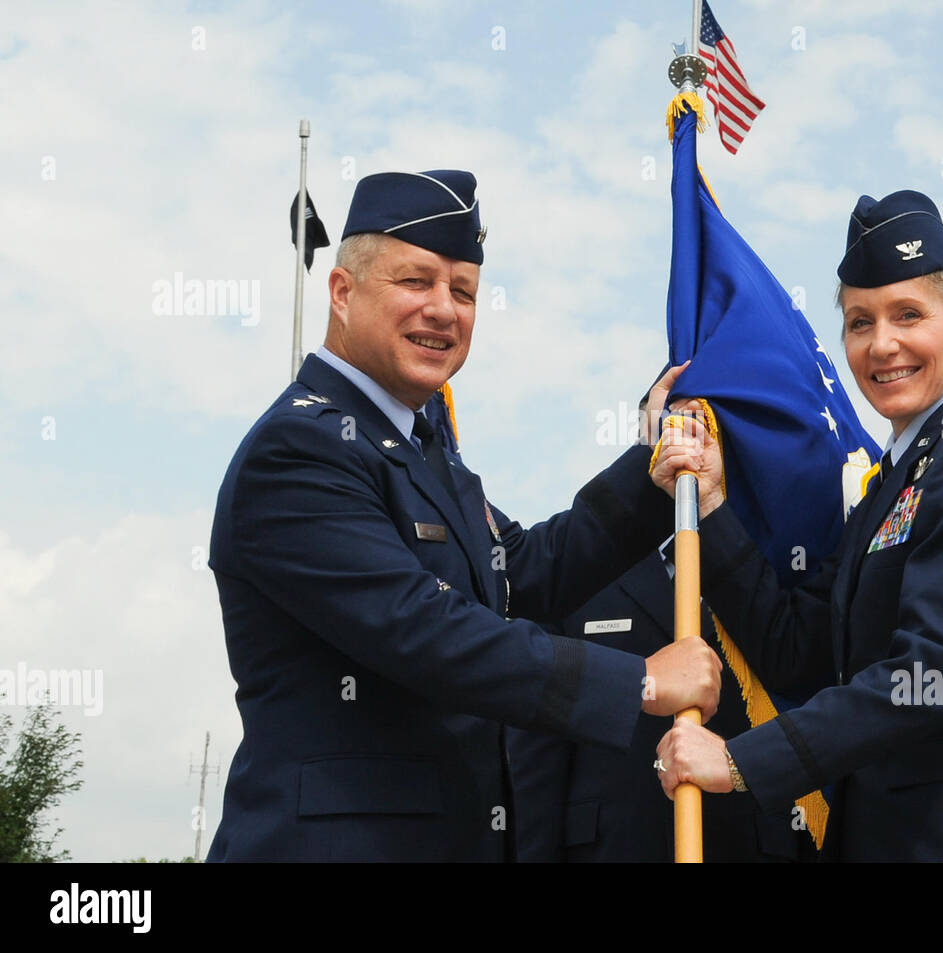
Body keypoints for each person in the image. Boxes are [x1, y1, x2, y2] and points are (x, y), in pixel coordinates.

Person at [206, 169, 720, 862]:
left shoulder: (424, 451)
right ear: (342, 291)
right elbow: (426, 632)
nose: (444, 309)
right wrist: (641, 682)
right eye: (416, 281)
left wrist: (652, 475)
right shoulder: (299, 449)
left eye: (464, 291)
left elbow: (521, 573)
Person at [651, 190, 943, 862]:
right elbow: (795, 649)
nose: (882, 345)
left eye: (908, 315)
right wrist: (709, 502)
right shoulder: (888, 488)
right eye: (859, 322)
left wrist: (741, 761)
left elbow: (936, 671)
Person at [507, 550, 817, 863]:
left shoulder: (772, 554)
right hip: (611, 847)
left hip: (753, 845)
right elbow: (538, 746)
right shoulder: (570, 556)